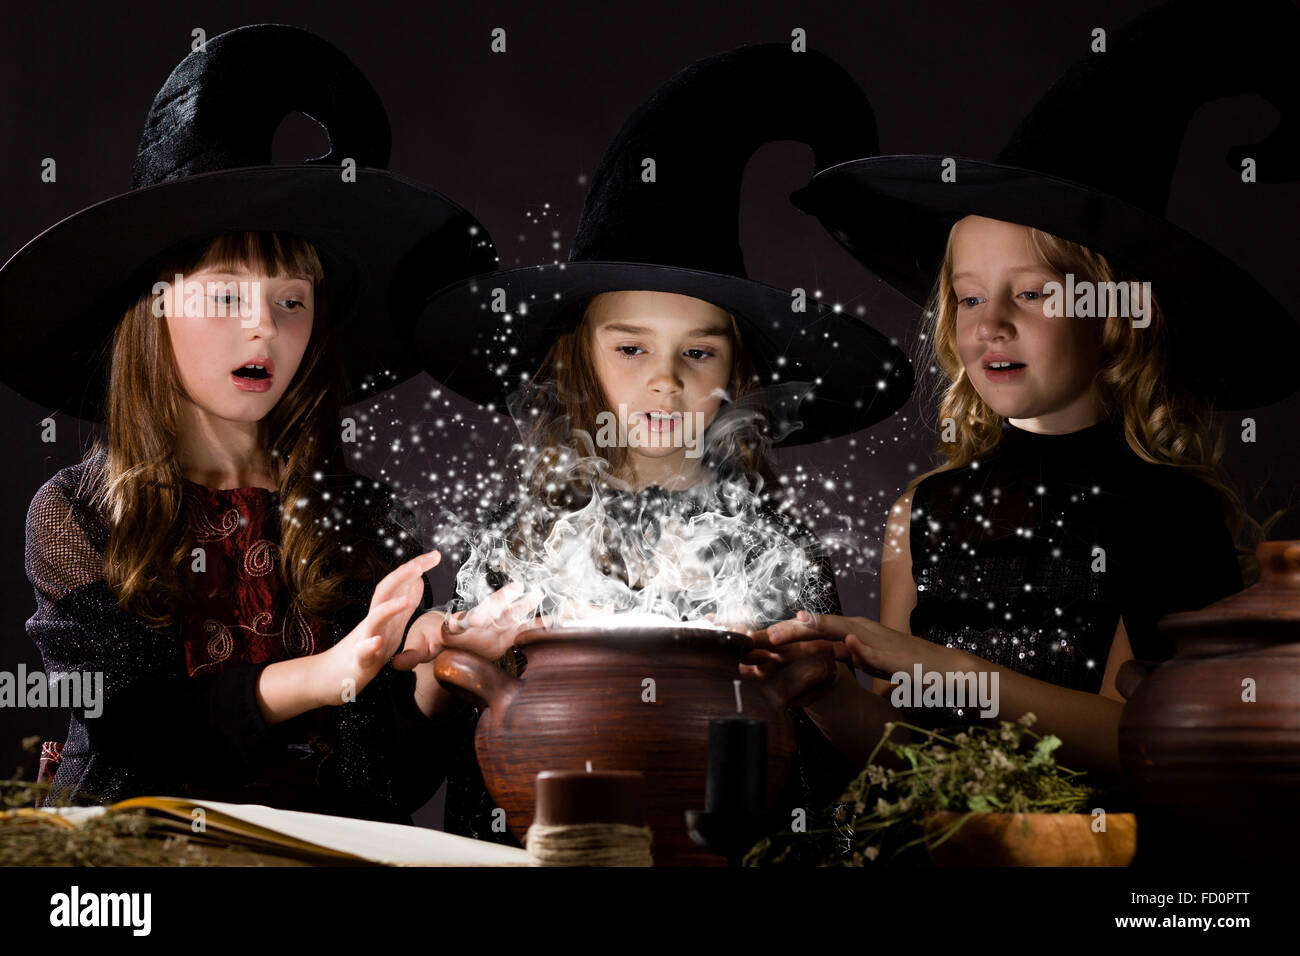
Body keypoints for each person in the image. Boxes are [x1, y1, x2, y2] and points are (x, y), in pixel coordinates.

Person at [759, 0, 1300, 785]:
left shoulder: (1165, 513)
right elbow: (909, 764)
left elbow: (1151, 745)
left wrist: (941, 666)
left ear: (1113, 317)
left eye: (1033, 295)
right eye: (970, 298)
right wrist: (826, 694)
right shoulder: (923, 510)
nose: (992, 325)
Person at [403, 44, 914, 846]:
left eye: (699, 353)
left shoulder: (775, 552)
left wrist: (813, 692)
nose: (667, 383)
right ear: (582, 357)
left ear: (737, 369)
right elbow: (416, 773)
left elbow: (841, 788)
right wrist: (444, 671)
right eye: (632, 348)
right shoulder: (518, 542)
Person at [6, 25, 501, 823]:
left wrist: (433, 678)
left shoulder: (368, 519)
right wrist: (329, 673)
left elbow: (387, 788)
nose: (263, 330)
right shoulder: (78, 514)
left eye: (291, 302)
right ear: (156, 313)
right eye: (227, 295)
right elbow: (136, 733)